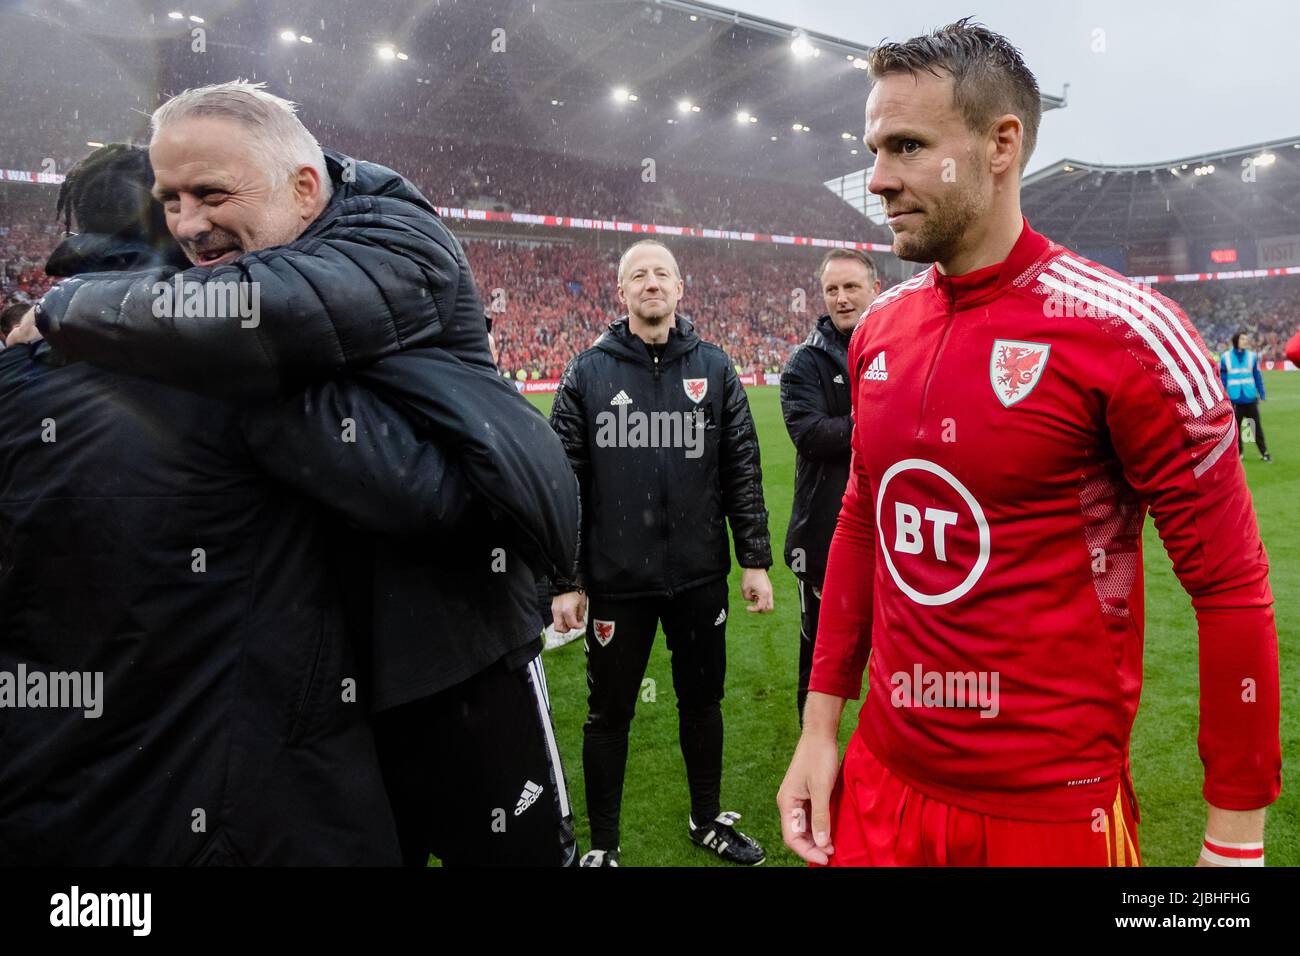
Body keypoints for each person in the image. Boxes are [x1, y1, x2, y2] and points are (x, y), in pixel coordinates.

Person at [10, 83, 581, 867]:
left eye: (210, 193)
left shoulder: (385, 238)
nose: (188, 224)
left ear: (305, 188)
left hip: (456, 640)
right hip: (329, 670)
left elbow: (279, 319)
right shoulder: (188, 304)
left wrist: (72, 308)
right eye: (168, 201)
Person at [777, 19, 1280, 868]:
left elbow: (1229, 588)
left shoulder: (1123, 332)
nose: (877, 179)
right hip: (881, 783)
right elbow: (864, 519)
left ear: (1000, 143)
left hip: (1051, 817)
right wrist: (822, 720)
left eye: (906, 146)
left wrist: (1235, 840)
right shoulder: (881, 329)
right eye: (874, 148)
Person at [549, 239, 774, 866]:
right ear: (621, 293)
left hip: (700, 576)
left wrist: (753, 560)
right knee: (609, 714)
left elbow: (742, 469)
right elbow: (563, 483)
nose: (651, 283)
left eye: (662, 274)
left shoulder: (717, 367)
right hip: (618, 582)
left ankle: (707, 819)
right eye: (638, 275)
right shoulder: (587, 372)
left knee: (703, 701)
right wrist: (565, 580)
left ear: (681, 289)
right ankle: (605, 848)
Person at [781, 249, 880, 724]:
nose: (841, 299)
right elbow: (813, 435)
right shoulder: (805, 362)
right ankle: (810, 760)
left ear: (874, 289)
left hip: (896, 533)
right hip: (824, 536)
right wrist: (881, 416)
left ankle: (885, 770)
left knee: (897, 660)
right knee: (820, 660)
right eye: (832, 290)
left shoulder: (897, 342)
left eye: (851, 287)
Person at [1219, 330, 1272, 462]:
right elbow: (1222, 380)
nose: (1245, 341)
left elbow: (1257, 376)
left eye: (1246, 339)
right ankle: (1239, 454)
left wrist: (1262, 393)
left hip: (1250, 397)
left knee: (1255, 427)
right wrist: (1222, 397)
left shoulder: (1252, 356)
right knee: (1235, 430)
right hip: (1234, 399)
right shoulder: (1225, 357)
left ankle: (1264, 453)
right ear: (1236, 340)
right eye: (1243, 339)